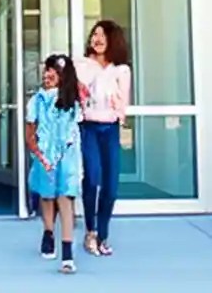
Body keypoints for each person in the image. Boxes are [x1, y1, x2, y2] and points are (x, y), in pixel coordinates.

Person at [75, 20, 132, 257]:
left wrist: (119, 106)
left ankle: (103, 234)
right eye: (94, 35)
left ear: (113, 39)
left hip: (110, 129)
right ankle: (91, 230)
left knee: (111, 186)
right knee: (92, 178)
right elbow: (75, 92)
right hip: (88, 126)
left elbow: (124, 104)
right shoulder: (82, 65)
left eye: (103, 35)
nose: (97, 39)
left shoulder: (121, 69)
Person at [26, 55, 83, 274]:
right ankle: (48, 231)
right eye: (47, 70)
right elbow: (30, 132)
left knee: (66, 198)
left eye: (55, 71)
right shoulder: (36, 100)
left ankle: (67, 254)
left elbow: (75, 128)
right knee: (47, 196)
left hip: (68, 156)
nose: (48, 75)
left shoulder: (72, 102)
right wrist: (39, 154)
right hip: (44, 155)